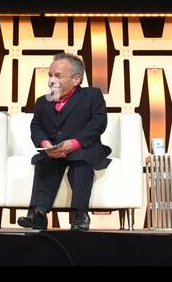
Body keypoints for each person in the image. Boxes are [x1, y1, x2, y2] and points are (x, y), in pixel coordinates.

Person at [16, 52, 112, 231]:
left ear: (76, 79)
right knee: (45, 163)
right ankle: (38, 214)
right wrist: (45, 143)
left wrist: (74, 143)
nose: (52, 80)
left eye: (58, 75)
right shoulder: (43, 102)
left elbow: (98, 123)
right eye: (50, 75)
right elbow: (36, 127)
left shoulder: (92, 95)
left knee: (81, 163)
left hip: (83, 148)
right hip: (55, 151)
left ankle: (80, 214)